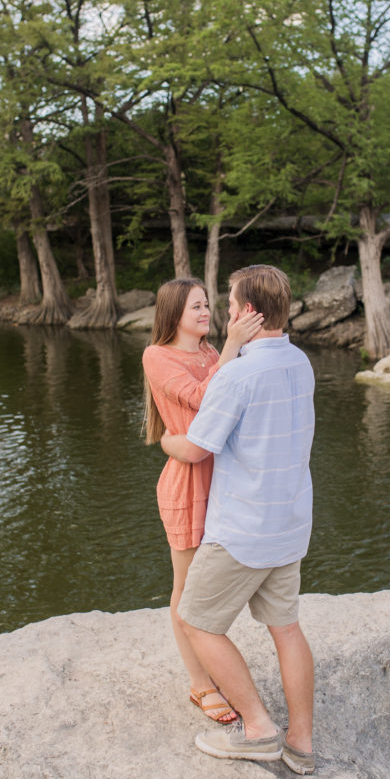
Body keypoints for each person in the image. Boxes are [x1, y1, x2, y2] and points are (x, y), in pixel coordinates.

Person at [161, 264, 316, 774]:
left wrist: (165, 441)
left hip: (243, 530)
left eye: (227, 303)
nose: (222, 311)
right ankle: (302, 744)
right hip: (290, 525)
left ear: (247, 311)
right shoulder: (300, 363)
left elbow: (197, 446)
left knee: (194, 618)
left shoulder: (237, 374)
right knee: (287, 630)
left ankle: (258, 729)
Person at [142, 277, 263, 724]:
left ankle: (214, 668)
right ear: (173, 312)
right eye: (195, 306)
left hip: (222, 481)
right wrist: (232, 346)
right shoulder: (157, 355)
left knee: (211, 587)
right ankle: (199, 683)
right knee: (187, 591)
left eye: (208, 304)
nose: (204, 312)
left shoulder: (211, 353)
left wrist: (231, 346)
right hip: (188, 485)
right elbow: (202, 397)